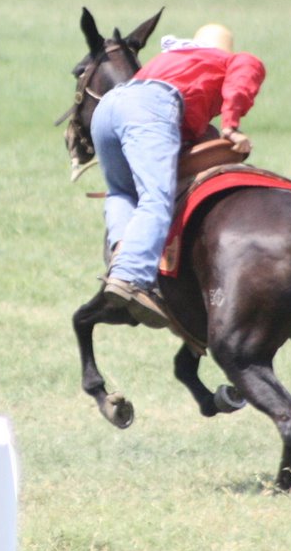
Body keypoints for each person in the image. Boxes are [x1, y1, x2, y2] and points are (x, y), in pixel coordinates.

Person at [91, 23, 265, 325]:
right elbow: (243, 78)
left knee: (122, 191)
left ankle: (121, 253)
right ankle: (130, 277)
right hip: (151, 108)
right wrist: (231, 127)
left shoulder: (171, 59)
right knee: (156, 197)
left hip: (108, 108)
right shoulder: (229, 60)